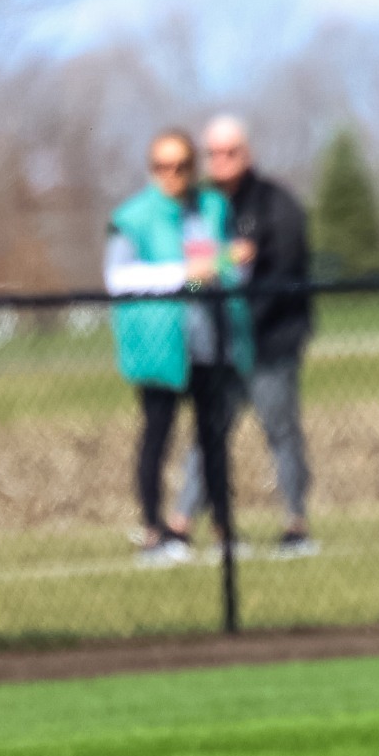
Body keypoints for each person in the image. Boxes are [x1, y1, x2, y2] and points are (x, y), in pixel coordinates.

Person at [169, 115, 318, 558]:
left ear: (246, 152)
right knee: (209, 435)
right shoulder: (202, 209)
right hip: (218, 347)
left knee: (281, 431)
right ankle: (181, 524)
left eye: (230, 152)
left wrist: (246, 317)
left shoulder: (276, 203)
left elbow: (287, 272)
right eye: (213, 153)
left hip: (270, 344)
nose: (221, 161)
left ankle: (296, 524)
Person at [106, 129, 255, 566]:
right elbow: (120, 280)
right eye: (162, 167)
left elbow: (219, 273)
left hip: (209, 343)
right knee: (157, 438)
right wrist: (185, 271)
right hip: (157, 347)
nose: (172, 176)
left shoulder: (211, 208)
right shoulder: (131, 217)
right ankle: (155, 533)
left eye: (181, 166)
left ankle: (224, 531)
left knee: (213, 440)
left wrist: (227, 262)